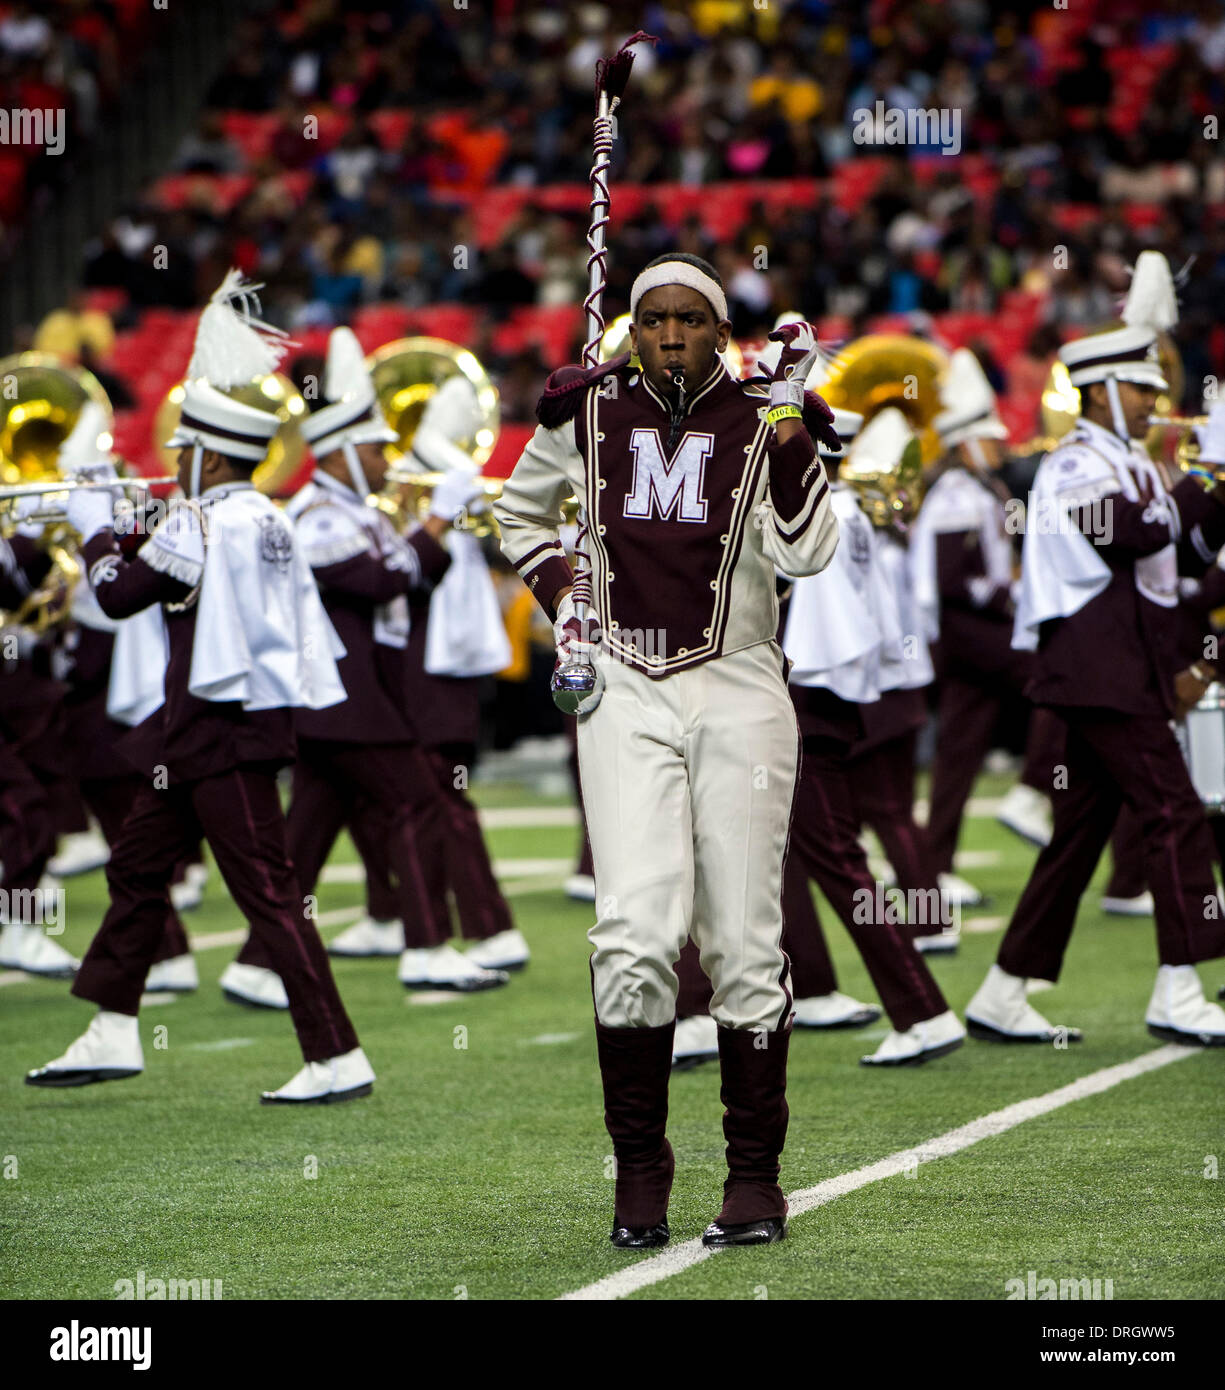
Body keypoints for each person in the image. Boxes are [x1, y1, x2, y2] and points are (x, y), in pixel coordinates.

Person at [495, 252, 840, 1250]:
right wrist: (565, 601)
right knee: (634, 937)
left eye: (693, 319)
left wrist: (784, 414)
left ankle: (752, 1175)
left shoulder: (764, 415)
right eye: (656, 320)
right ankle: (641, 1162)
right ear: (633, 329)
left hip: (739, 680)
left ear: (719, 331)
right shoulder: (584, 413)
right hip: (623, 684)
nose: (674, 335)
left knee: (740, 939)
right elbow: (519, 512)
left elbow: (810, 548)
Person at [26, 272, 375, 1103]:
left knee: (268, 897)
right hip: (204, 736)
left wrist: (94, 524)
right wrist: (117, 520)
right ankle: (111, 1027)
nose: (174, 458)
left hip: (222, 735)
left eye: (184, 447)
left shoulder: (205, 518)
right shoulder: (265, 517)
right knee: (138, 872)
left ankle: (336, 1055)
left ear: (212, 454)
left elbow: (117, 596)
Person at [965, 254, 1225, 1047]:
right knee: (1175, 811)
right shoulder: (1076, 461)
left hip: (1118, 660)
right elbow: (1132, 537)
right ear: (1105, 390)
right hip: (1096, 662)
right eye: (1143, 389)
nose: (1156, 402)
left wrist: (1215, 502)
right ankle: (1179, 988)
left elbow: (1176, 560)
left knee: (1076, 837)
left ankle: (1003, 990)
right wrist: (1204, 475)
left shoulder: (1129, 463)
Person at [225, 326, 502, 1001]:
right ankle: (428, 947)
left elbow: (404, 575)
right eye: (376, 448)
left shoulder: (356, 508)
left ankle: (258, 965)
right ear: (344, 452)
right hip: (347, 698)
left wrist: (431, 529)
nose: (388, 459)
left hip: (351, 697)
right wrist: (435, 521)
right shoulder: (318, 513)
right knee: (417, 805)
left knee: (304, 838)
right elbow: (378, 582)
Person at [911, 348, 1058, 907]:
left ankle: (935, 867)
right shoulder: (955, 494)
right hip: (970, 633)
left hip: (968, 637)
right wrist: (1010, 595)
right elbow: (955, 580)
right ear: (965, 441)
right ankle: (1032, 791)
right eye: (988, 438)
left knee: (960, 750)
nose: (999, 446)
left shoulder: (977, 490)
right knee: (1057, 680)